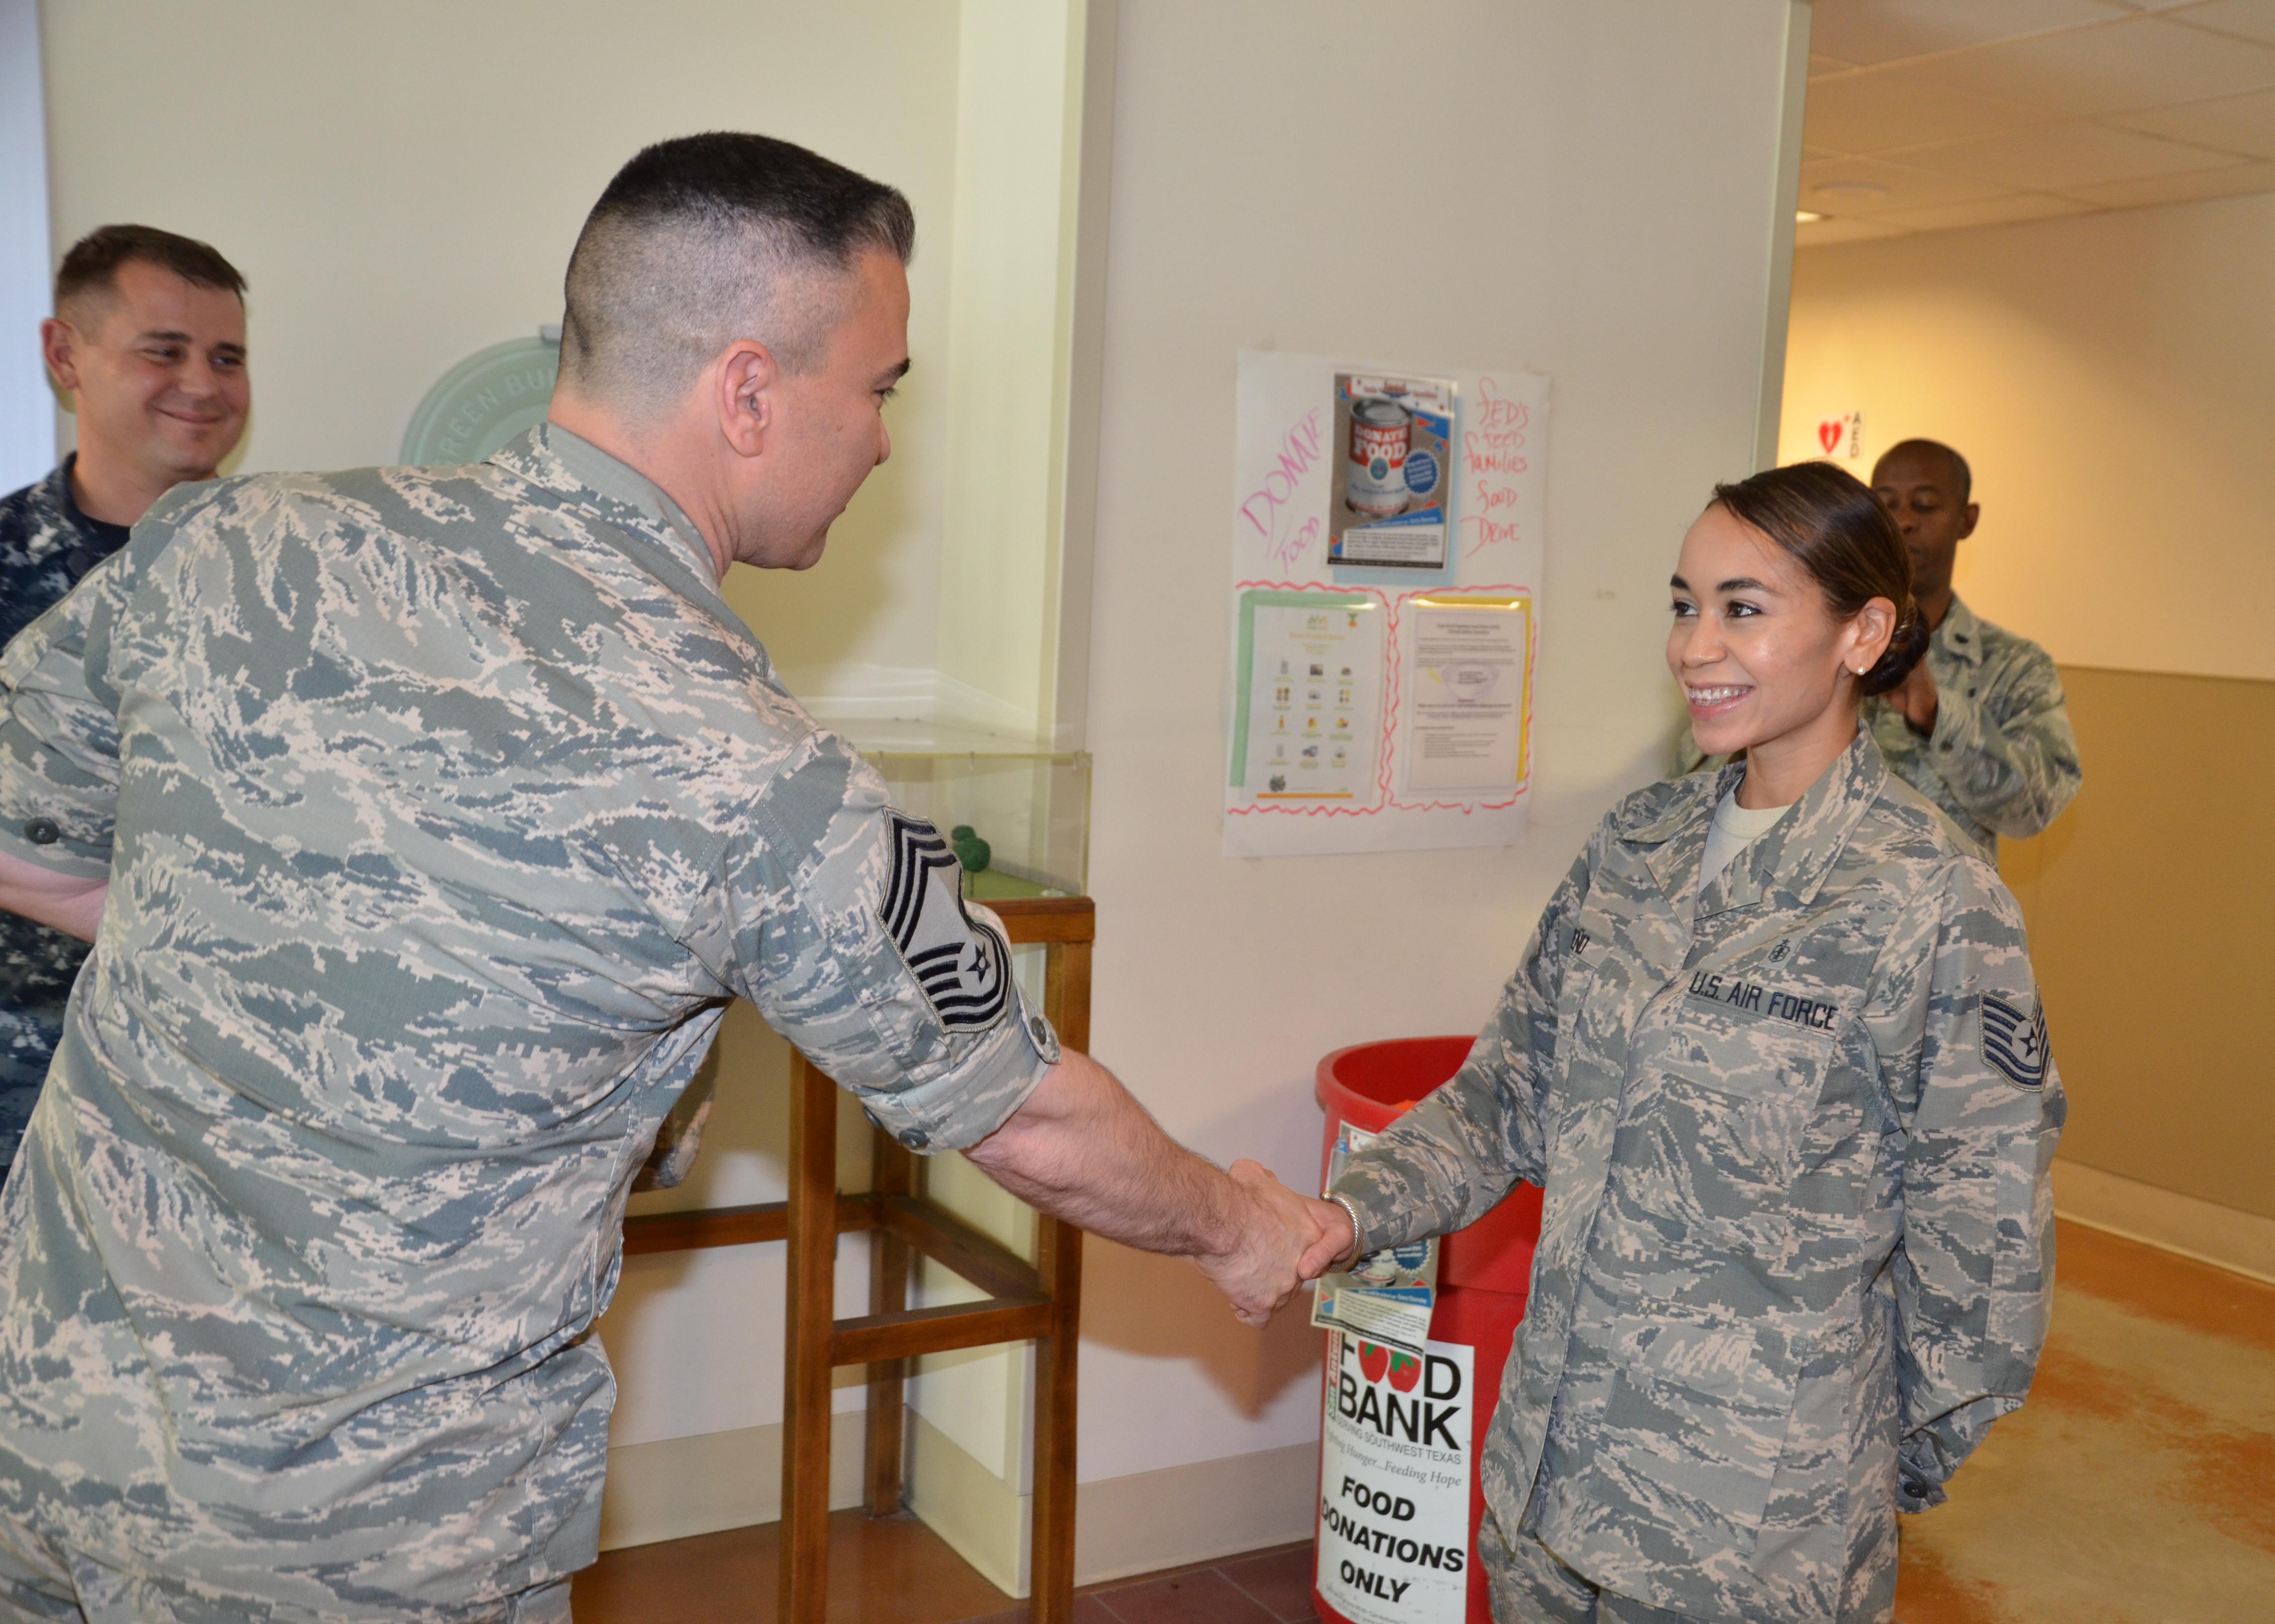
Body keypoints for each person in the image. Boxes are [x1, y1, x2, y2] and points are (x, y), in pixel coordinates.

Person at [0, 134, 1344, 1623]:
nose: (887, 439)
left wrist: (260, 944)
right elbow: (1025, 1114)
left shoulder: (237, 542)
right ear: (752, 390)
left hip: (49, 1435)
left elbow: (18, 836)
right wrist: (1240, 1224)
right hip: (355, 1540)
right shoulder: (755, 774)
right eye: (881, 388)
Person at [1326, 462, 2064, 1623]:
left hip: (1750, 1551)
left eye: (1743, 608)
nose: (1695, 644)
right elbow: (1505, 1094)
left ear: (1863, 633)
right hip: (1546, 1504)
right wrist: (1345, 1212)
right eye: (1685, 604)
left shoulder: (1933, 899)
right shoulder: (1640, 842)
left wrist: (1864, 1465)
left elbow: (1986, 1254)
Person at [0, 225, 250, 1181]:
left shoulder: (303, 574)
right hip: (29, 1089)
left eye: (227, 357)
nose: (203, 383)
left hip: (227, 1102)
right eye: (164, 350)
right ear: (66, 355)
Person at [1674, 439, 2078, 860]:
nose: (1904, 521)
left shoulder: (2011, 665)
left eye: (1924, 505)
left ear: (1967, 519)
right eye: (1887, 504)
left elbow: (2036, 809)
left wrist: (1937, 713)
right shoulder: (1769, 649)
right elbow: (1691, 781)